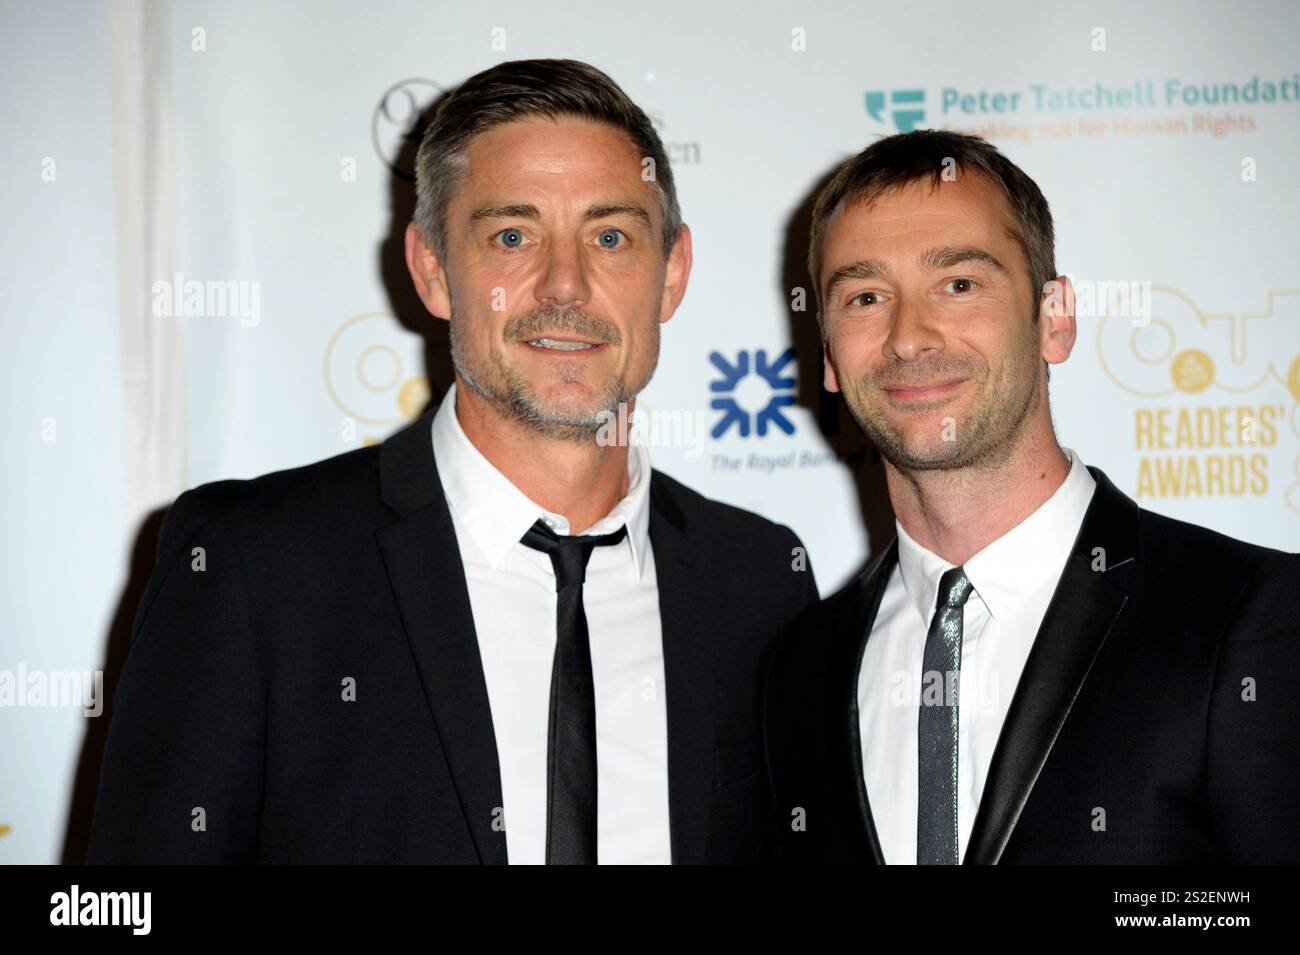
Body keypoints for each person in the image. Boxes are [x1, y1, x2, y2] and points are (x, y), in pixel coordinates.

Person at [88, 58, 817, 865]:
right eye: (513, 236)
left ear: (671, 273)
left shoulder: (759, 581)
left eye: (610, 236)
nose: (565, 285)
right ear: (433, 269)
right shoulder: (252, 564)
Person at [763, 129, 1300, 864]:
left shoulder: (1251, 614)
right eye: (864, 296)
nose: (909, 337)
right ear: (828, 356)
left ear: (1055, 318)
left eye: (959, 283)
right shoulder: (796, 668)